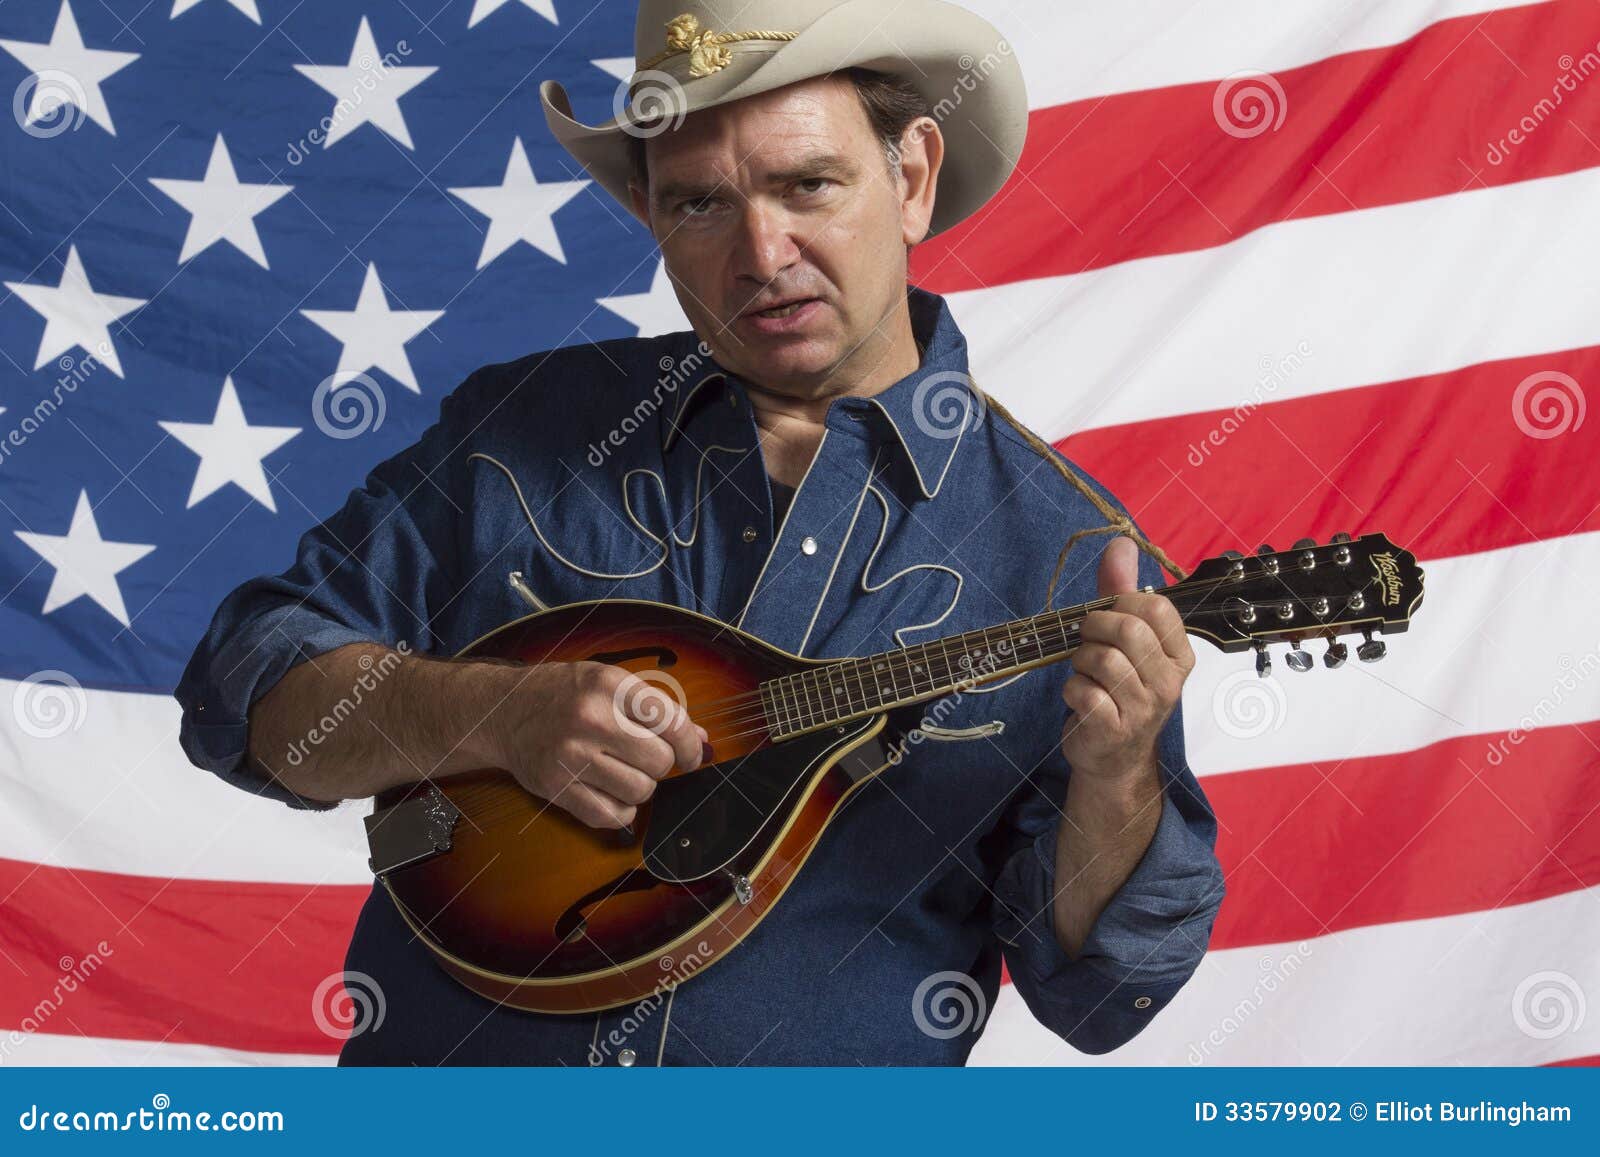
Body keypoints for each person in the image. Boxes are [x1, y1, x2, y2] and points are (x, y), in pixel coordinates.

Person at [175, 0, 1224, 1066]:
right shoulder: (520, 429)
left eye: (807, 183)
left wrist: (1116, 775)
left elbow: (1102, 997)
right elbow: (243, 694)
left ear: (910, 176)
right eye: (700, 203)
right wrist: (494, 712)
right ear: (646, 211)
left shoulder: (1065, 551)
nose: (763, 253)